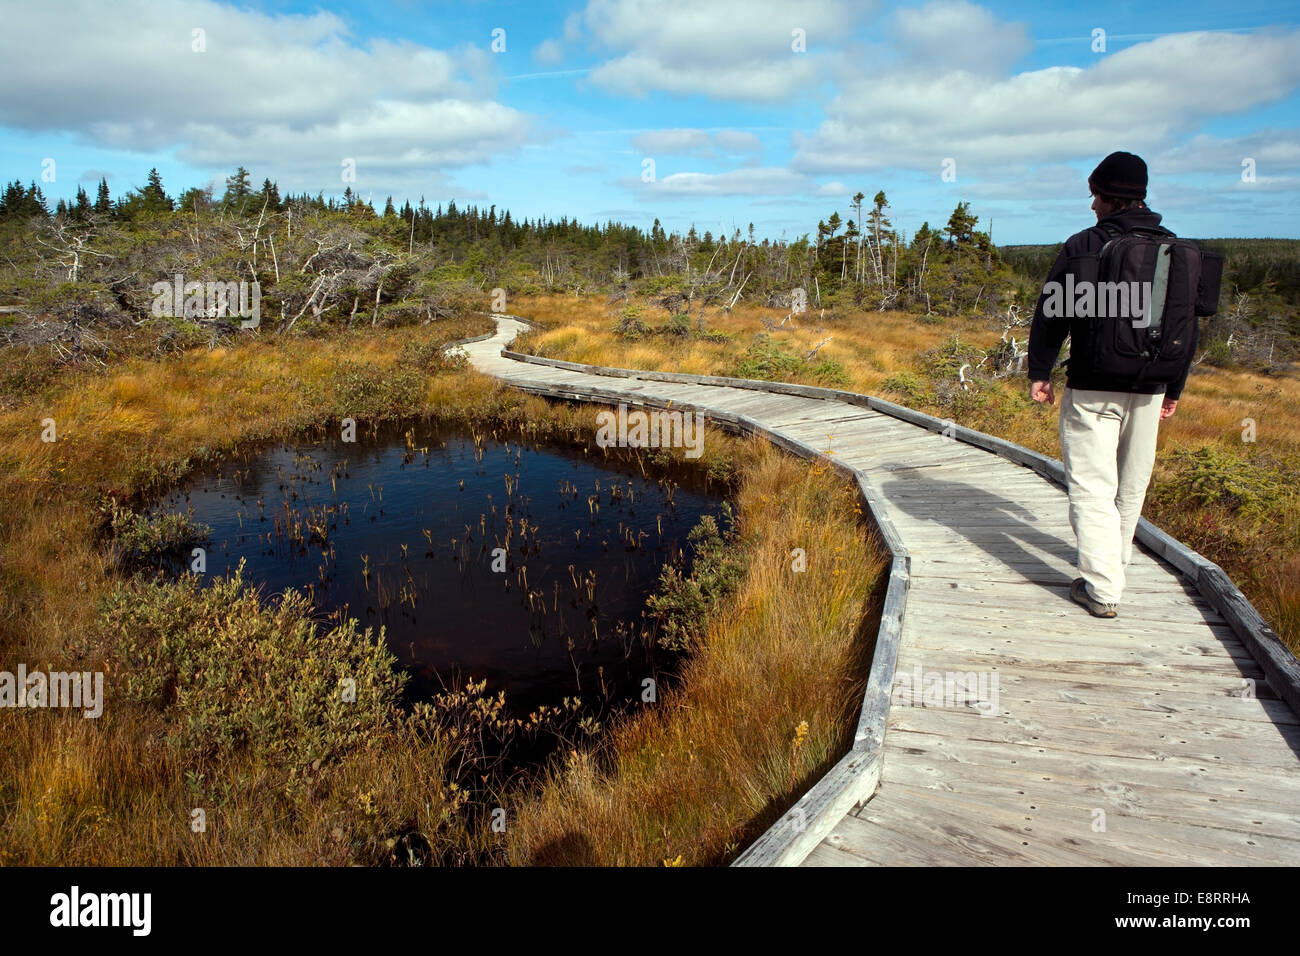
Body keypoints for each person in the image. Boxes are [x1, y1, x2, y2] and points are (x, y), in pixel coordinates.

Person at [1026, 151, 1195, 619]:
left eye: (1093, 195)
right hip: (1152, 386)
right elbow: (1187, 327)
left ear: (1105, 196)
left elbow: (1052, 311)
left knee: (1091, 485)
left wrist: (1041, 371)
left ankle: (1101, 588)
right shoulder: (1173, 250)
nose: (1091, 205)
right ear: (1140, 196)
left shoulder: (1084, 244)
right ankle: (1113, 565)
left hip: (1093, 384)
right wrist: (1175, 388)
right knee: (1131, 483)